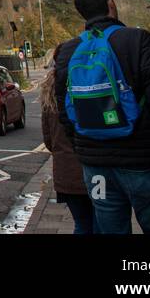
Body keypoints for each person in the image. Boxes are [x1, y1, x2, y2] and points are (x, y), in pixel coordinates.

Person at [53, 0, 150, 234]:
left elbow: (65, 112)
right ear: (111, 3)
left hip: (96, 167)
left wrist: (84, 151)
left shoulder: (68, 51)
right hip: (143, 161)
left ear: (81, 12)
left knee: (110, 227)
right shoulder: (138, 40)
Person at [40, 45, 92, 233]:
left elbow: (48, 139)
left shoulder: (50, 92)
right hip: (98, 171)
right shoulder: (91, 82)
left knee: (82, 223)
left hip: (66, 174)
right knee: (104, 222)